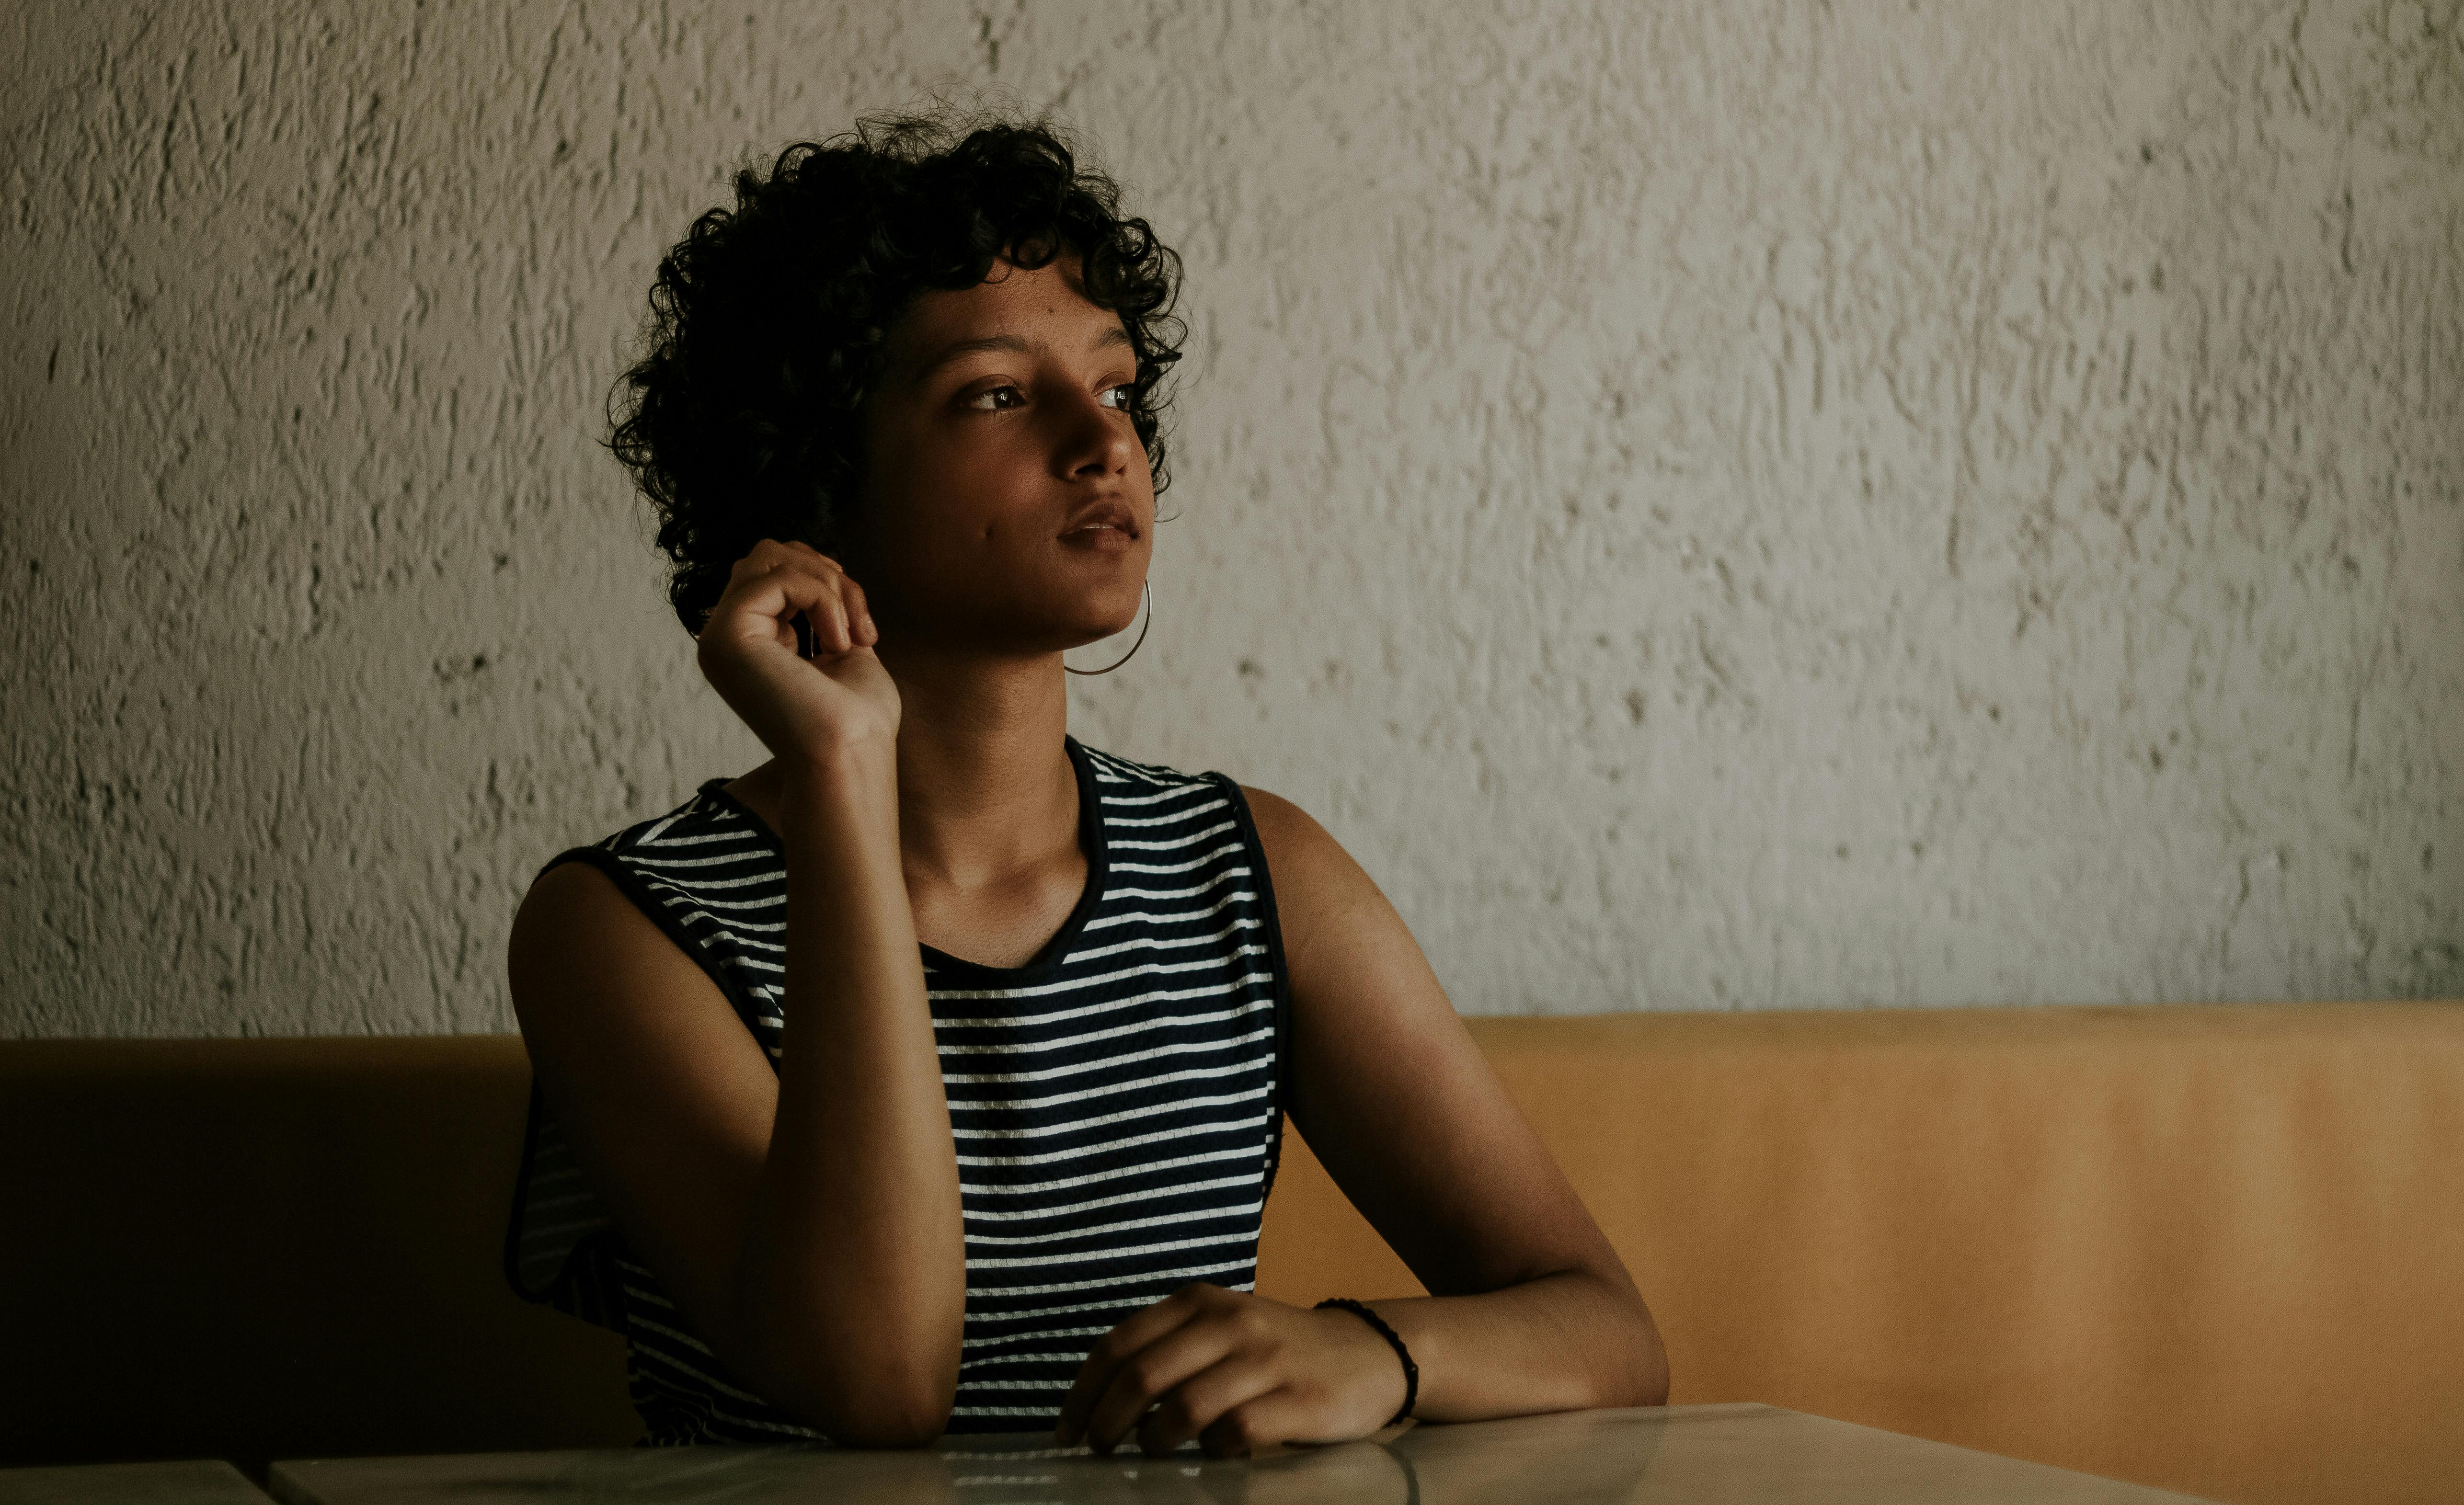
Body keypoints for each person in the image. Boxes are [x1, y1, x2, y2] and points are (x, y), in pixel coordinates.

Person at [502, 111, 1667, 1455]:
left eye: (1115, 389)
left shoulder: (1251, 870)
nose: (1102, 442)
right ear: (811, 478)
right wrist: (841, 770)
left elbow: (1610, 1331)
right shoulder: (624, 927)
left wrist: (1375, 1353)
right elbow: (875, 1381)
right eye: (998, 394)